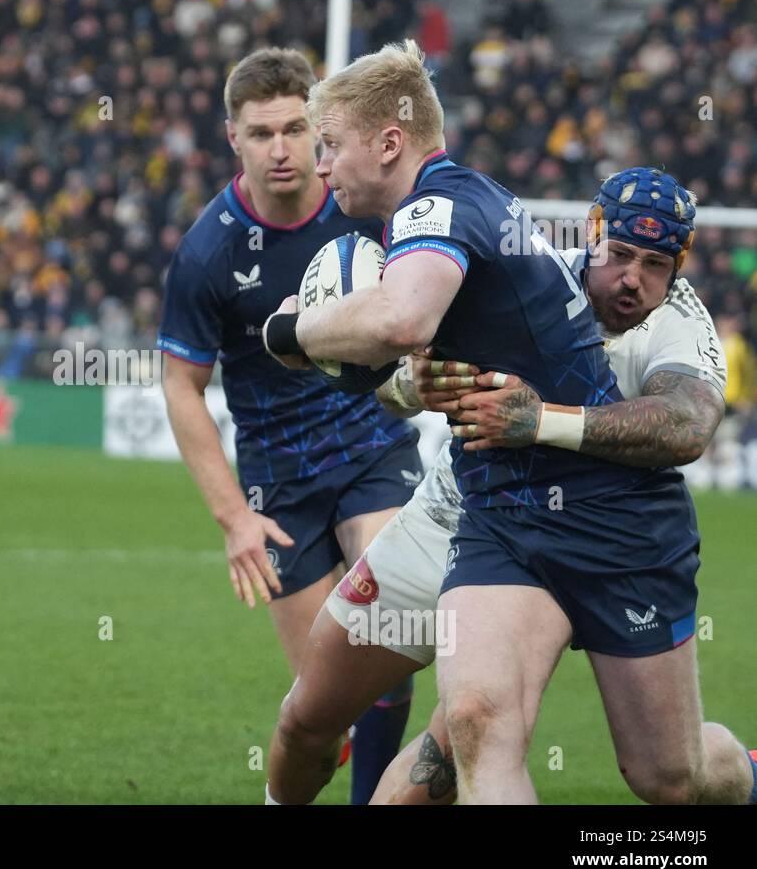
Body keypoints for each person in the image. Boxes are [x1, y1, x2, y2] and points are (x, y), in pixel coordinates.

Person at [260, 41, 757, 804]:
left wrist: (542, 422)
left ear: (679, 271)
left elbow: (687, 428)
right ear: (590, 232)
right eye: (621, 253)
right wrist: (410, 384)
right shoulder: (531, 263)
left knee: (671, 781)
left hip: (606, 526)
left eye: (657, 267)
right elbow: (402, 368)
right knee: (438, 726)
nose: (633, 279)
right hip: (468, 510)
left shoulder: (678, 326)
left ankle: (741, 772)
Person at [159, 48, 422, 803]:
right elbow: (181, 384)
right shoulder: (208, 250)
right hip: (280, 479)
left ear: (319, 127)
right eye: (261, 133)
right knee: (322, 706)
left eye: (296, 128)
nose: (282, 149)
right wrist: (233, 515)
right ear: (233, 138)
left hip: (373, 444)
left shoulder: (365, 205)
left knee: (391, 633)